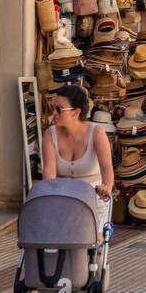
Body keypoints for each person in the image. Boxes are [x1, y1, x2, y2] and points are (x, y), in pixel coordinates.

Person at [42, 85, 114, 232]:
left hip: (93, 195)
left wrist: (106, 186)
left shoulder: (96, 132)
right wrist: (48, 194)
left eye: (59, 109)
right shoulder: (50, 134)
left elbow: (106, 166)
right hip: (62, 196)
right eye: (53, 108)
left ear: (76, 112)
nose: (53, 113)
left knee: (93, 241)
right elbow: (49, 170)